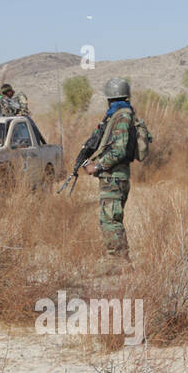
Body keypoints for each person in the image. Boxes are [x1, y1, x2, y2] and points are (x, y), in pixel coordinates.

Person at [79, 77, 138, 266]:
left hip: (114, 177)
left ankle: (118, 261)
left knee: (110, 219)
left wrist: (97, 166)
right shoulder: (120, 115)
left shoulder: (121, 116)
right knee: (111, 218)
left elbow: (119, 150)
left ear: (110, 98)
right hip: (114, 176)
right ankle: (118, 259)